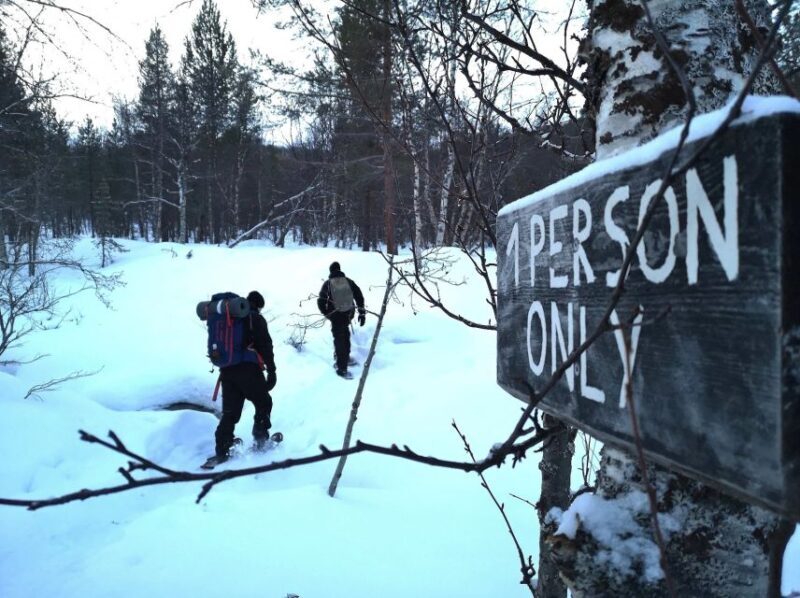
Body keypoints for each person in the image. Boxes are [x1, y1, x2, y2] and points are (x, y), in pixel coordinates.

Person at [214, 290, 277, 460]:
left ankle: (222, 448)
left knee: (230, 413)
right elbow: (265, 346)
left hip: (226, 371)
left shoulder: (229, 319)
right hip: (248, 370)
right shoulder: (254, 318)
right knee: (264, 402)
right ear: (258, 305)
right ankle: (261, 439)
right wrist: (272, 370)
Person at [317, 261, 365, 378]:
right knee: (345, 338)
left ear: (331, 271)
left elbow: (320, 301)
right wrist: (361, 313)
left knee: (339, 340)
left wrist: (327, 314)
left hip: (336, 316)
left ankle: (341, 368)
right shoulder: (348, 281)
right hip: (347, 315)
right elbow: (359, 296)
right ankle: (344, 359)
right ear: (339, 269)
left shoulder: (328, 284)